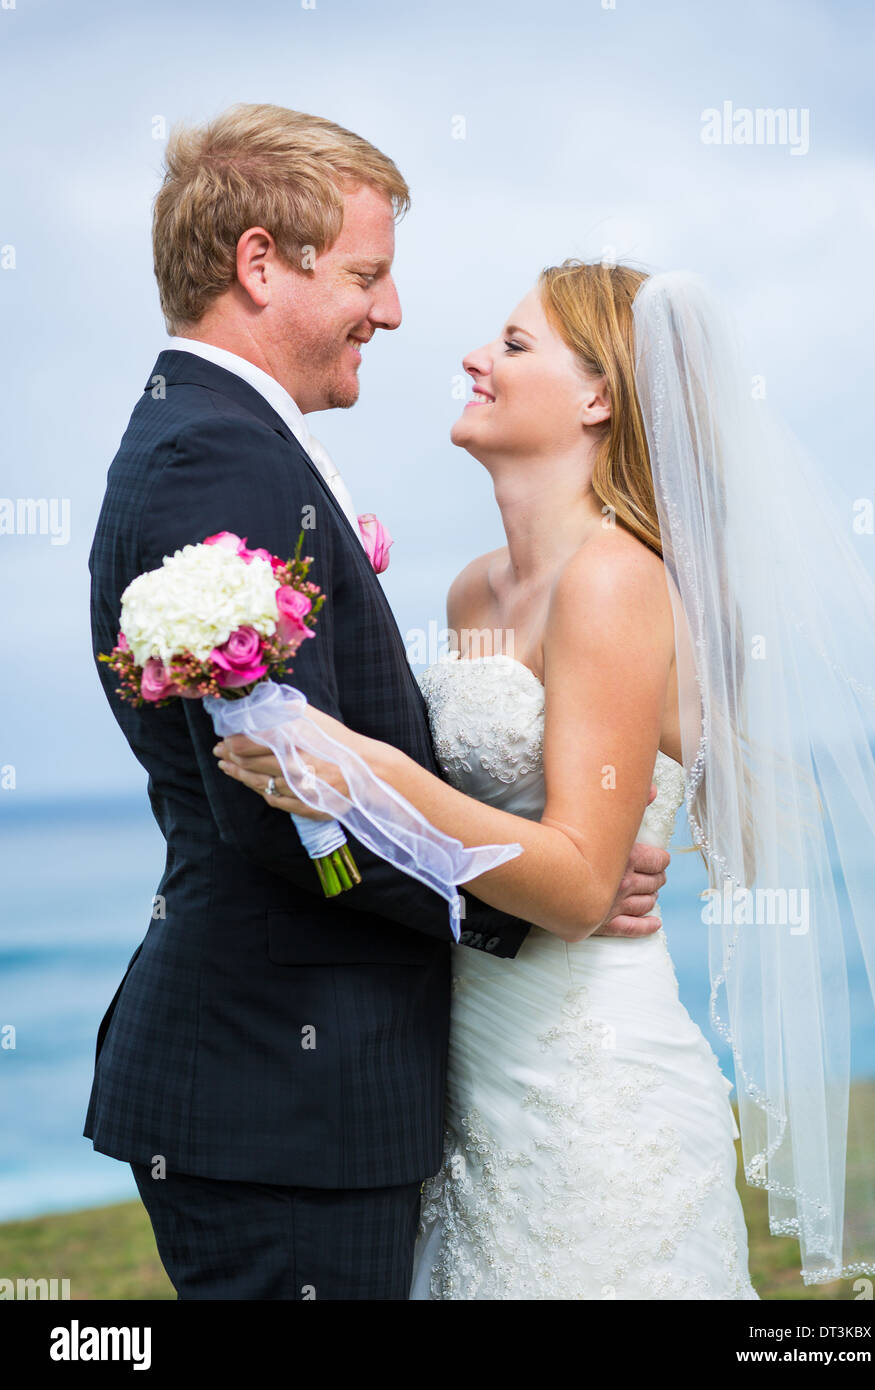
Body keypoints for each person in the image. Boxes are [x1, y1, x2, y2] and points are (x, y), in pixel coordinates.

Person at [85, 104, 668, 1301]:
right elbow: (284, 799)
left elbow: (335, 769)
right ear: (260, 264)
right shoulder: (221, 458)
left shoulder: (221, 440)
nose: (394, 312)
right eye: (367, 274)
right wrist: (537, 906)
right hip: (284, 1093)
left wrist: (558, 852)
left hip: (334, 1089)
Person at [216, 262, 760, 1298]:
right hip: (470, 1067)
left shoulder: (613, 577)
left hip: (588, 1085)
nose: (471, 355)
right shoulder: (475, 588)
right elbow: (508, 838)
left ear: (598, 397)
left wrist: (364, 774)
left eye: (513, 344)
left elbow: (577, 885)